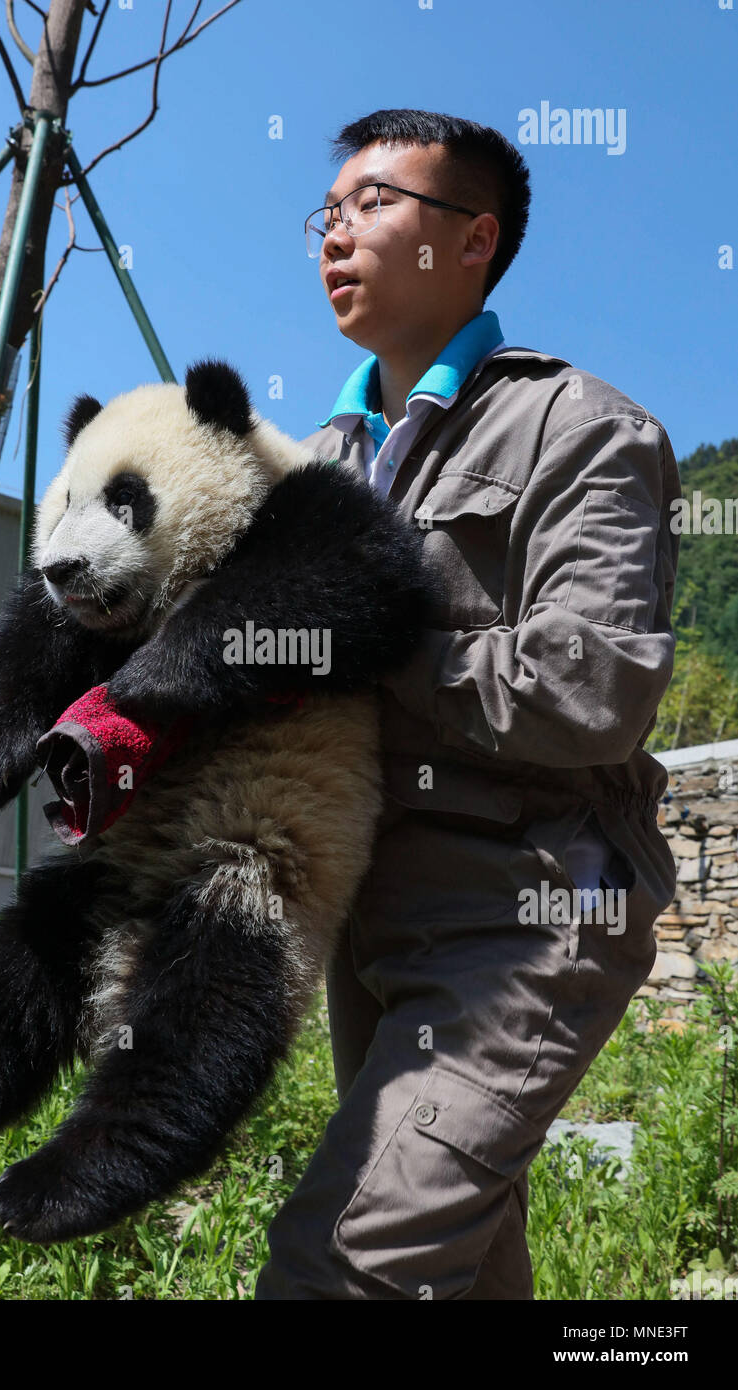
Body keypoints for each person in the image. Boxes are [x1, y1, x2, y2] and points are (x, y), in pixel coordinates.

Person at [253, 108, 681, 1300]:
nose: (336, 233)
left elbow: (592, 692)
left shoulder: (580, 428)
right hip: (374, 923)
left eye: (375, 203)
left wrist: (370, 643)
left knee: (344, 1262)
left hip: (525, 912)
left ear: (474, 238)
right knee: (465, 1263)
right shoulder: (315, 467)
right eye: (325, 213)